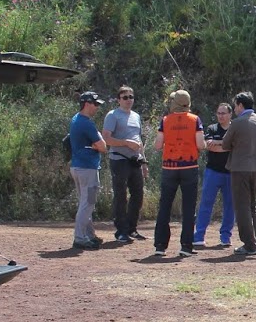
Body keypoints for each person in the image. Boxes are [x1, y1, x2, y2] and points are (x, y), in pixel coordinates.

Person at [210, 92, 256, 256]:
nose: (235, 109)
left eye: (236, 106)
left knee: (242, 207)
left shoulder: (237, 123)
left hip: (240, 170)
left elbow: (225, 144)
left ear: (240, 105)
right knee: (252, 206)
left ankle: (249, 244)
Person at [150, 89, 205, 258]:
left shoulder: (165, 120)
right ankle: (186, 246)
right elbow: (201, 144)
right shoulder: (195, 120)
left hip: (169, 168)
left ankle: (160, 245)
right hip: (189, 167)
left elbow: (158, 145)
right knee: (188, 208)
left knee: (164, 206)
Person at [102, 85, 146, 243]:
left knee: (138, 195)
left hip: (136, 160)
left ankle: (132, 228)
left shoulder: (136, 116)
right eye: (125, 97)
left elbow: (139, 140)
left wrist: (144, 162)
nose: (129, 100)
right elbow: (106, 138)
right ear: (119, 99)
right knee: (121, 196)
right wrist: (125, 143)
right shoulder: (112, 115)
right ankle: (121, 231)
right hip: (119, 159)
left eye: (131, 97)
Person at [68, 90, 108, 249]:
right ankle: (80, 237)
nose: (97, 107)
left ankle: (89, 234)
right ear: (87, 104)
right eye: (95, 104)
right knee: (88, 203)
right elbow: (103, 147)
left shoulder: (75, 119)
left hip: (77, 167)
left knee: (85, 203)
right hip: (88, 169)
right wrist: (97, 141)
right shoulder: (86, 123)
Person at [193, 102, 235, 247]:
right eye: (218, 113)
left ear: (230, 114)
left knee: (230, 206)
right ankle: (198, 236)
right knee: (206, 204)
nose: (221, 116)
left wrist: (220, 144)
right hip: (213, 172)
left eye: (223, 113)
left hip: (231, 173)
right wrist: (227, 145)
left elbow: (235, 146)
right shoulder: (212, 128)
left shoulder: (235, 128)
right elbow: (209, 146)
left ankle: (225, 237)